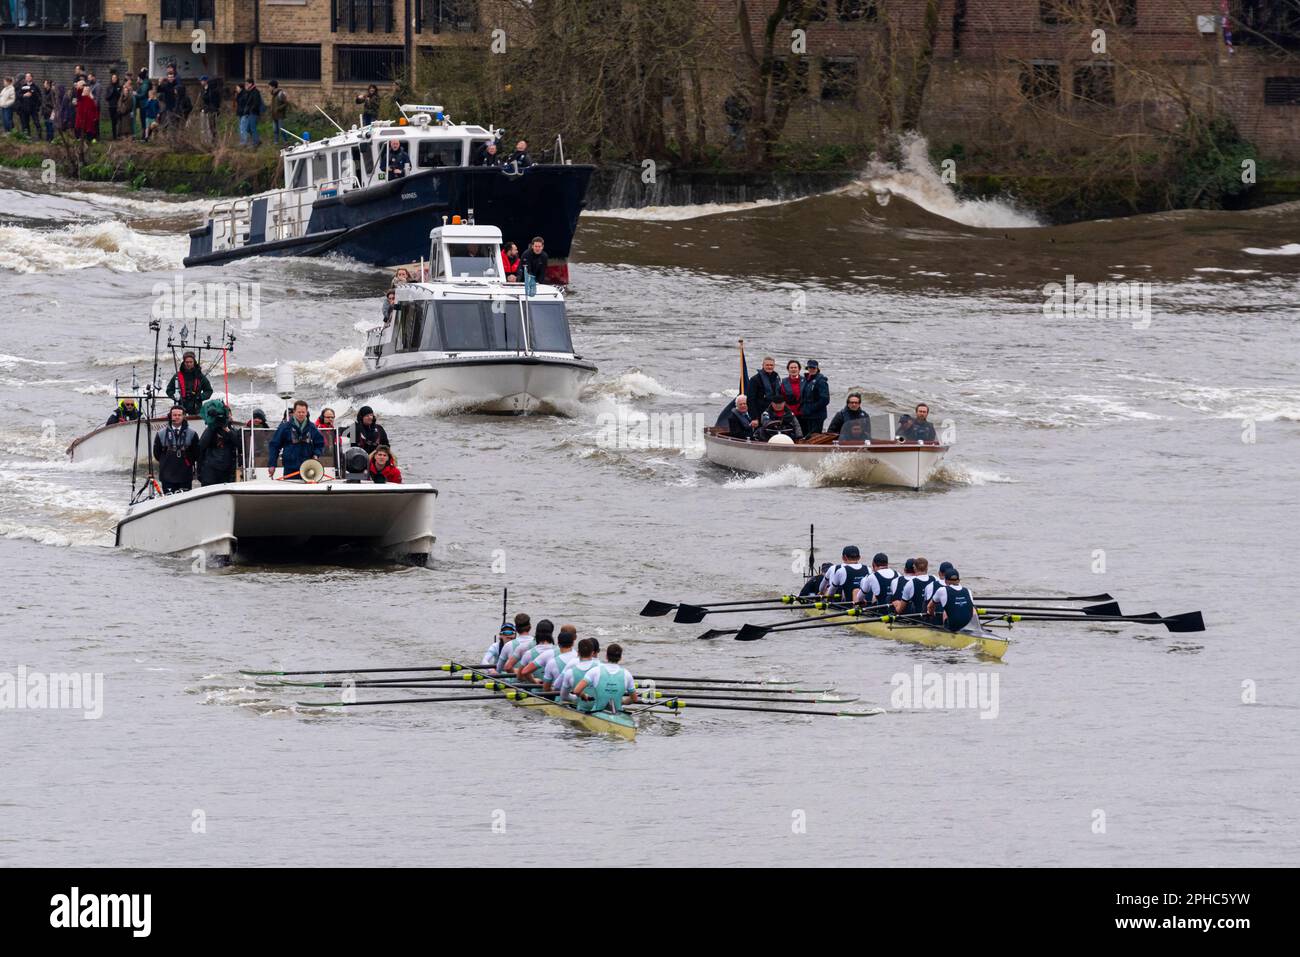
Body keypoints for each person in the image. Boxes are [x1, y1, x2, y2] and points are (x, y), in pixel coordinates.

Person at [571, 643, 637, 714]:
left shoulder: (595, 671)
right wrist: (622, 701)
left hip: (596, 714)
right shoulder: (627, 674)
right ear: (620, 658)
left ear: (606, 656)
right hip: (618, 714)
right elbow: (634, 699)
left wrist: (584, 696)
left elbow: (577, 690)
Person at [266, 400, 324, 479]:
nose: (301, 414)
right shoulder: (285, 427)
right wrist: (272, 465)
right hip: (290, 467)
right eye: (299, 412)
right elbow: (274, 446)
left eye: (303, 412)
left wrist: (316, 454)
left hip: (308, 467)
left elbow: (320, 443)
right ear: (294, 412)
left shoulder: (312, 427)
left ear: (306, 412)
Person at [152, 405, 198, 494]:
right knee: (168, 501)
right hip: (167, 475)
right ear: (170, 416)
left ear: (183, 416)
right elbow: (157, 453)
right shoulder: (161, 434)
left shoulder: (192, 434)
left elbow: (196, 453)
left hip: (185, 475)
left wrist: (188, 461)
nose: (177, 417)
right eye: (174, 415)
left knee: (185, 501)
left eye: (179, 415)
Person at [197, 401, 241, 486]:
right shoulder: (210, 430)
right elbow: (201, 446)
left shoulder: (234, 431)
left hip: (227, 470)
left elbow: (240, 445)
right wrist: (212, 426)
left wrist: (227, 430)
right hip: (210, 470)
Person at [927, 568, 975, 632]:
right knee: (972, 608)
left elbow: (930, 606)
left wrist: (932, 614)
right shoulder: (968, 591)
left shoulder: (942, 590)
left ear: (945, 581)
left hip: (953, 627)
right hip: (969, 626)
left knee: (945, 611)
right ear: (959, 580)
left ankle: (945, 630)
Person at [556, 636, 599, 704]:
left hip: (578, 704)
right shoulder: (601, 667)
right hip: (597, 706)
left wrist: (575, 698)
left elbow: (561, 692)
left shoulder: (570, 670)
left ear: (578, 653)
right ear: (592, 653)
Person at [540, 625, 578, 691]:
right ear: (573, 642)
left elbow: (546, 689)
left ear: (558, 643)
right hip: (579, 697)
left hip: (559, 698)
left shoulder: (552, 662)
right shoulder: (580, 657)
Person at [799, 359, 830, 436]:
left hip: (817, 416)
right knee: (805, 436)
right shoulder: (804, 379)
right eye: (810, 368)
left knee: (814, 437)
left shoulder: (821, 381)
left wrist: (811, 408)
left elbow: (825, 400)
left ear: (817, 369)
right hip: (805, 415)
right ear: (807, 368)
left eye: (814, 368)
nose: (812, 370)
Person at [237, 78, 262, 147]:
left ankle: (256, 142)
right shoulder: (249, 92)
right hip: (249, 112)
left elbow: (256, 103)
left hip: (253, 112)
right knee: (248, 128)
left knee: (252, 127)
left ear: (251, 84)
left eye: (247, 84)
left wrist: (251, 109)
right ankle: (256, 140)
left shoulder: (255, 92)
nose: (246, 86)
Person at [198, 75, 220, 140]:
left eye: (202, 81)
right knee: (205, 126)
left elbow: (212, 101)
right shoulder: (204, 90)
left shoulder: (212, 91)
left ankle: (213, 139)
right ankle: (206, 139)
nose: (201, 82)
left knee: (211, 126)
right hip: (206, 109)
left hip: (211, 110)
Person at [268, 79, 289, 144]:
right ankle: (276, 142)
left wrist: (278, 108)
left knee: (282, 129)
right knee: (275, 130)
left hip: (280, 115)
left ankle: (285, 141)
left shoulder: (280, 94)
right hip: (274, 115)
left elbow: (286, 103)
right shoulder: (273, 94)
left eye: (269, 87)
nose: (269, 88)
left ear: (273, 87)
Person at [105, 72, 122, 140]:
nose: (114, 79)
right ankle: (114, 135)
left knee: (117, 120)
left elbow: (120, 96)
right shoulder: (109, 87)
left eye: (115, 78)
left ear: (117, 79)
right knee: (113, 121)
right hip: (111, 106)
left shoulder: (119, 86)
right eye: (113, 78)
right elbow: (106, 97)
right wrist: (112, 93)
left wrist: (117, 92)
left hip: (117, 106)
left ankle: (118, 134)